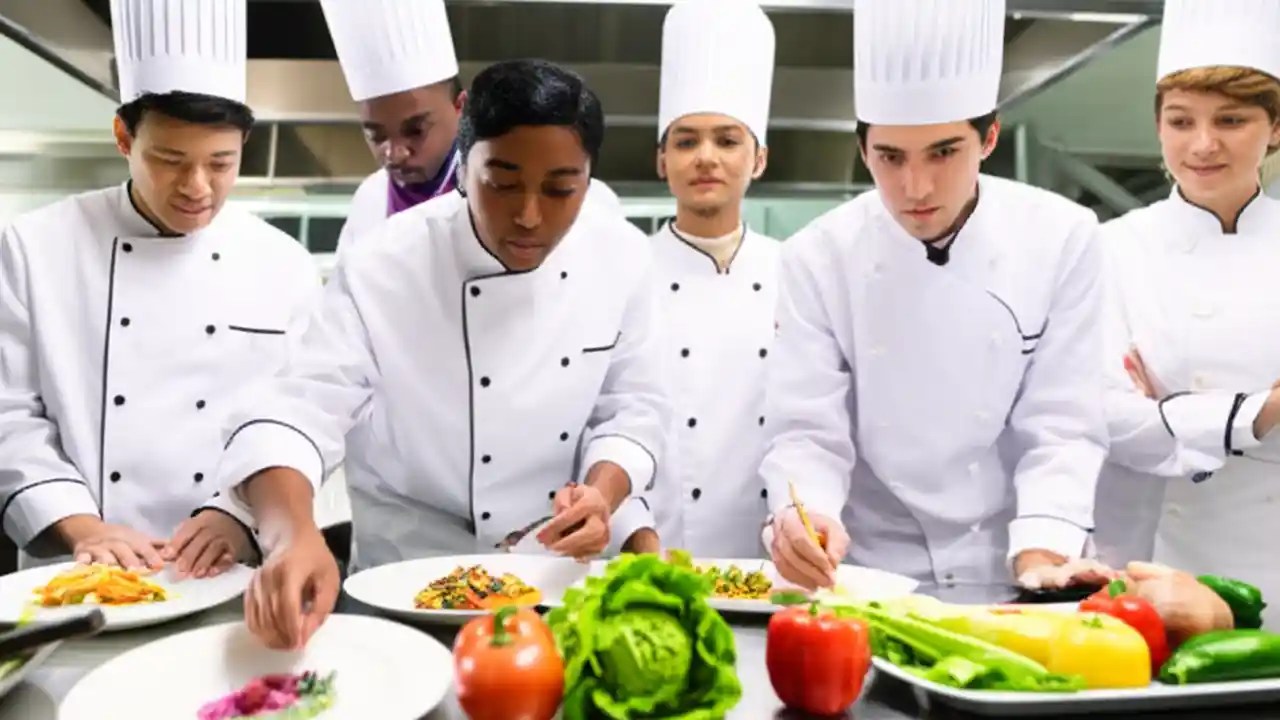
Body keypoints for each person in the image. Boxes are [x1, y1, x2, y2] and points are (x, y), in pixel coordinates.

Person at [204, 59, 668, 650]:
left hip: (549, 578)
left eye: (560, 188)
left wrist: (603, 491)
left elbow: (633, 408)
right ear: (462, 167)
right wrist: (291, 532)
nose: (530, 215)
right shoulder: (384, 263)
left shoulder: (622, 258)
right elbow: (298, 409)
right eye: (501, 182)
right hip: (403, 578)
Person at [760, 0, 1111, 591]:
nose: (914, 188)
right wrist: (806, 513)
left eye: (944, 153)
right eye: (889, 157)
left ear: (989, 137)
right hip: (870, 567)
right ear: (863, 148)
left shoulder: (1063, 238)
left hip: (1019, 551)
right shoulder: (818, 257)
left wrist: (1042, 553)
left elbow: (1062, 423)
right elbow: (806, 430)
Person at [0, 0, 320, 576]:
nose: (197, 187)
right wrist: (83, 527)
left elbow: (295, 419)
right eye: (170, 159)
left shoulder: (283, 264)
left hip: (224, 571)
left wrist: (237, 514)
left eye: (221, 163)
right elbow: (9, 419)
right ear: (124, 137)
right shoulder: (33, 247)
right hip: (76, 575)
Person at [1093, 0, 1280, 624]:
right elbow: (1109, 421)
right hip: (1151, 572)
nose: (1203, 145)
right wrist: (1264, 409)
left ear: (1275, 128)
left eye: (1231, 119)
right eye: (1180, 121)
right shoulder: (1109, 248)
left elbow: (1146, 423)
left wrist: (1169, 415)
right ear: (1158, 128)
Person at [320, 0, 623, 257]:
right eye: (376, 135)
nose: (394, 153)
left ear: (460, 107)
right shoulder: (370, 201)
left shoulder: (585, 201)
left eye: (415, 130)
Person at [646, 0, 778, 556]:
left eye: (727, 140)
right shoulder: (626, 271)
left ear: (759, 159)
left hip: (770, 557)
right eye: (685, 140)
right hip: (652, 549)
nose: (705, 157)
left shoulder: (795, 274)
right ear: (661, 161)